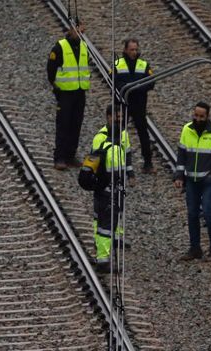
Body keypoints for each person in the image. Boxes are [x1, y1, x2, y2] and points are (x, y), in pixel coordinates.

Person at [174, 102, 211, 260]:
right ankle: (195, 249)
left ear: (207, 116)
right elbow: (182, 154)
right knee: (192, 213)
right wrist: (179, 175)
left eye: (201, 116)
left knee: (207, 211)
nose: (198, 119)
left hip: (208, 180)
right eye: (196, 115)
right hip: (191, 179)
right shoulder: (187, 129)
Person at [84, 103, 132, 269]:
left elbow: (126, 155)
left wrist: (129, 173)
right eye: (117, 117)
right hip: (108, 191)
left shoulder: (116, 139)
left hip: (105, 189)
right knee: (104, 223)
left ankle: (106, 246)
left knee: (105, 219)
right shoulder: (105, 142)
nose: (120, 121)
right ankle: (103, 258)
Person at [47, 17, 90, 170]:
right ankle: (59, 157)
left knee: (76, 125)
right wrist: (57, 88)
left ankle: (70, 156)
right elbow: (51, 71)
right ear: (71, 29)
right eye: (79, 29)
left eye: (82, 29)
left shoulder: (84, 46)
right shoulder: (60, 47)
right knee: (63, 125)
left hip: (80, 92)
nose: (82, 31)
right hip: (65, 94)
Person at [112, 39, 155, 173]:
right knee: (118, 132)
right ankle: (115, 161)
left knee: (143, 133)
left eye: (136, 49)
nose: (134, 52)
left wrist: (136, 88)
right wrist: (126, 88)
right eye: (131, 49)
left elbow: (151, 82)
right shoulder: (118, 64)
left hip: (139, 104)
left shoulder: (144, 64)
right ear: (125, 50)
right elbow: (113, 81)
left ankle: (148, 163)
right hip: (122, 103)